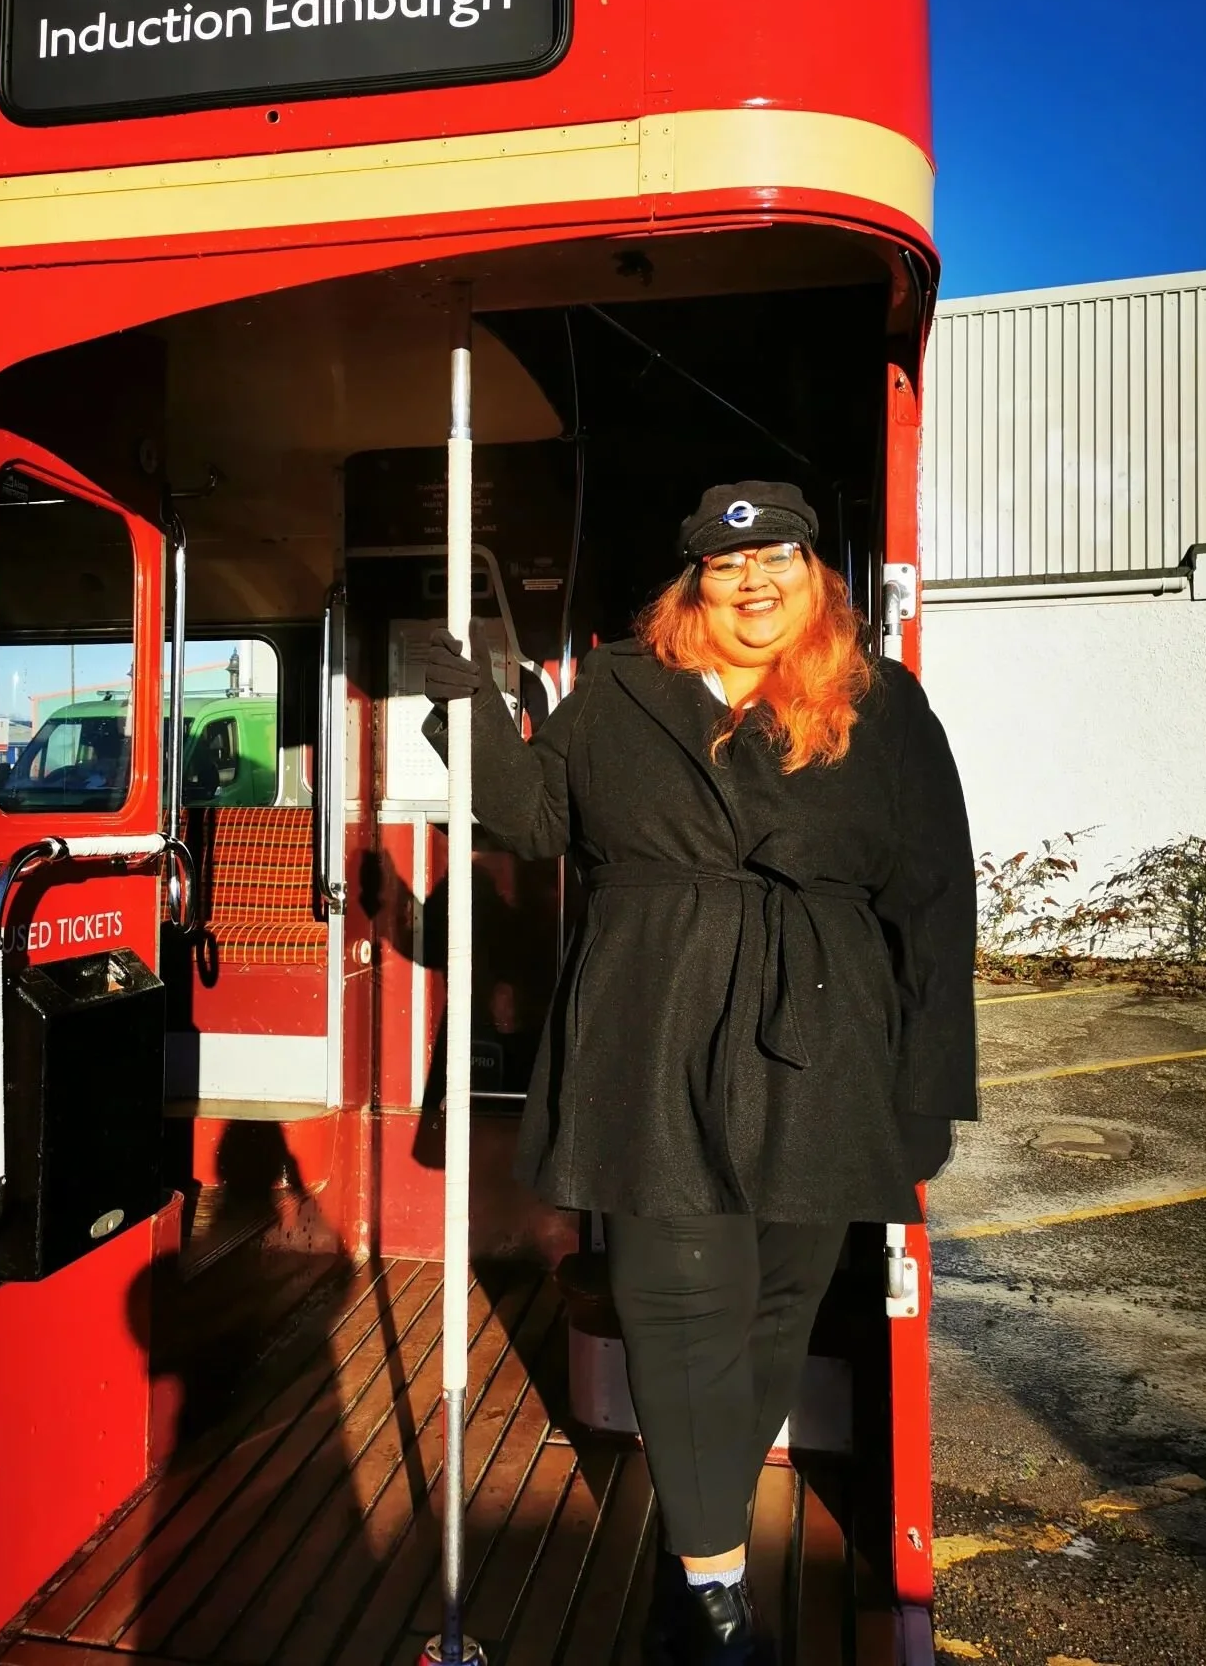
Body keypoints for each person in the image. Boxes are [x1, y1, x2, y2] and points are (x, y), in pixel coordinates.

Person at [424, 481, 977, 1663]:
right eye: (727, 566)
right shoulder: (619, 690)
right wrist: (465, 699)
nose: (754, 580)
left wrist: (930, 1088)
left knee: (778, 1304)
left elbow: (934, 900)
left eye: (777, 556)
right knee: (680, 1309)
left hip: (822, 1035)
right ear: (693, 584)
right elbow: (530, 819)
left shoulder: (882, 703)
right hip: (650, 1021)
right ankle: (713, 1585)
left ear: (815, 573)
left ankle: (698, 1545)